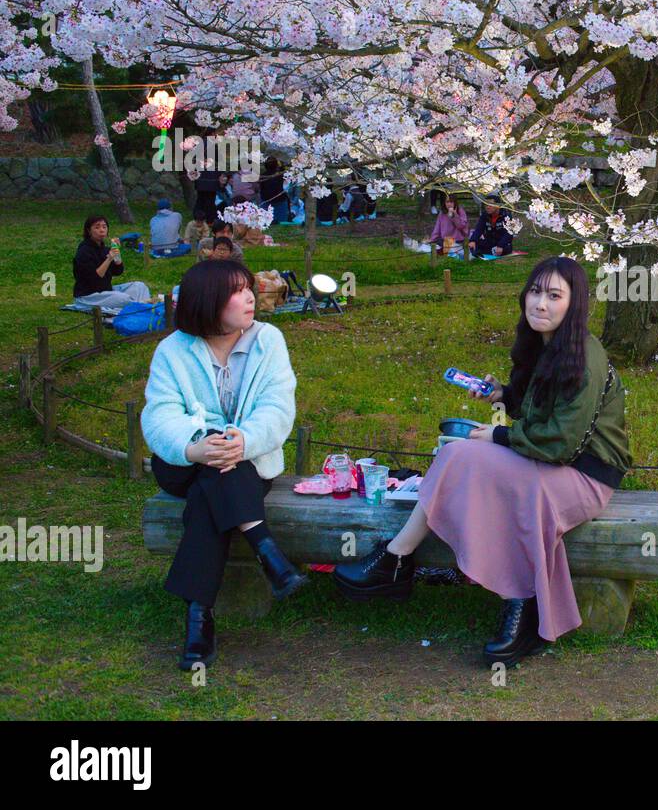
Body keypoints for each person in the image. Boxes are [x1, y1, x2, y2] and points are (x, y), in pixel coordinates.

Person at [332, 256, 631, 666]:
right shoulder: (542, 345)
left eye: (554, 296)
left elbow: (561, 442)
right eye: (535, 292)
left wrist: (499, 434)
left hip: (584, 474)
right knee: (463, 455)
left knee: (474, 460)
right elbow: (540, 413)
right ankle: (515, 601)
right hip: (550, 464)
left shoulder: (584, 357)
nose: (540, 304)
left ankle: (401, 562)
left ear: (574, 304)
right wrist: (503, 397)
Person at [141, 259, 303, 671]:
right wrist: (194, 448)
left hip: (246, 461)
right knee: (210, 471)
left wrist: (243, 441)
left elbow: (278, 407)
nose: (250, 296)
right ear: (209, 301)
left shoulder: (268, 341)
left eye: (249, 287)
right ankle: (266, 550)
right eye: (237, 291)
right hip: (184, 461)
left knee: (209, 492)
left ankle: (199, 618)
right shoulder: (173, 350)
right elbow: (159, 414)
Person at [72, 215, 152, 311]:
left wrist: (116, 253)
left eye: (104, 227)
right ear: (89, 231)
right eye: (97, 227)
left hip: (107, 292)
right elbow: (95, 278)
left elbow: (118, 271)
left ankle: (138, 307)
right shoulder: (84, 251)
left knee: (139, 286)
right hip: (88, 296)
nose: (101, 230)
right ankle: (141, 308)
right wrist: (109, 258)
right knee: (124, 299)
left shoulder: (104, 249)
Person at [259, 157, 290, 224]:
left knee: (265, 223)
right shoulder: (280, 175)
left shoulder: (263, 175)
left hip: (269, 200)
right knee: (281, 223)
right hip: (276, 200)